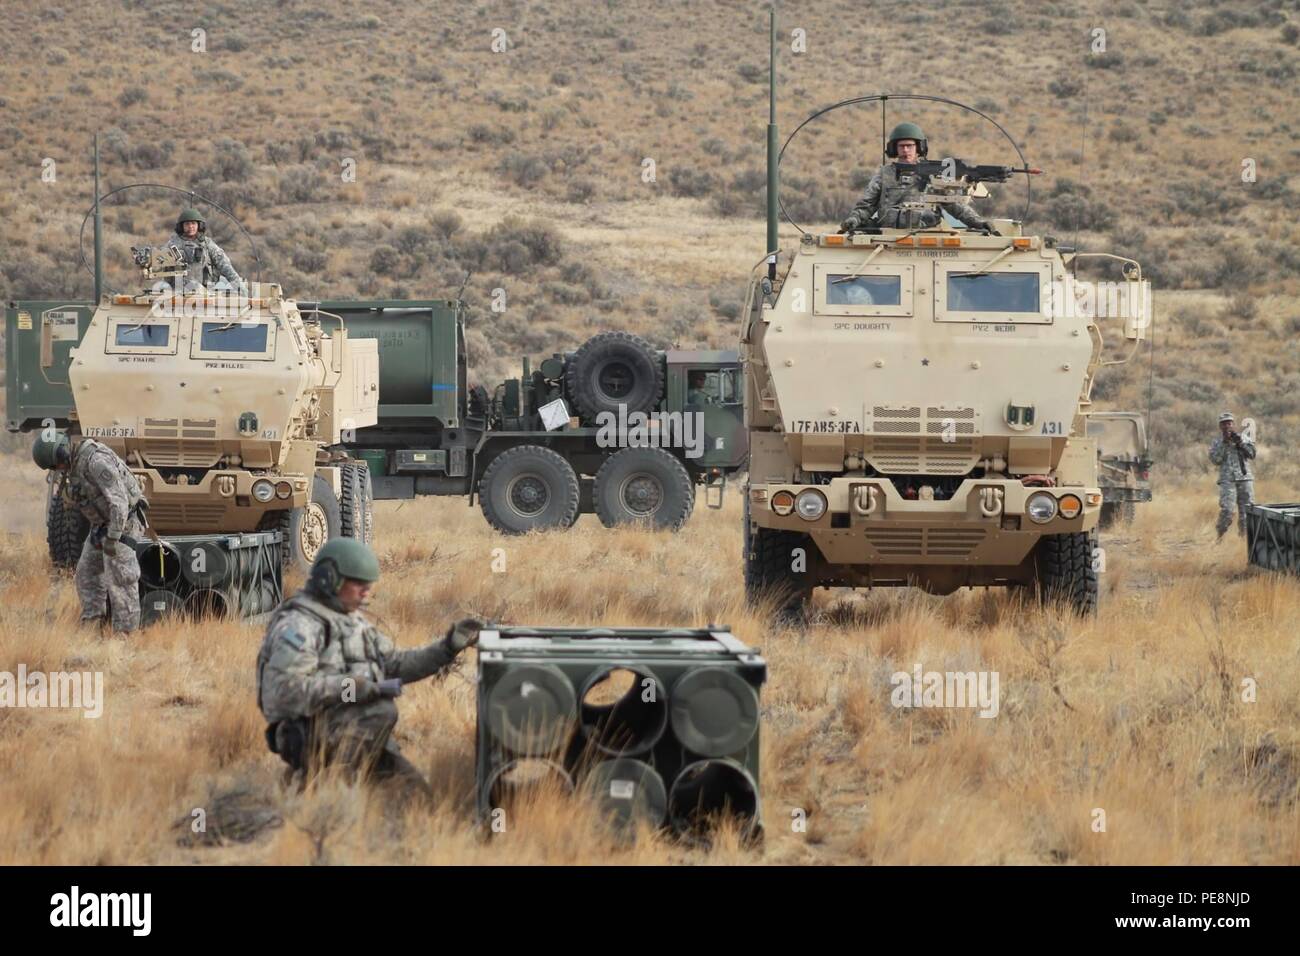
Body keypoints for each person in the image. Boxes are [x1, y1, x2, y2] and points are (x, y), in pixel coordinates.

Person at [256, 537, 483, 799]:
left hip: (356, 730)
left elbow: (394, 664)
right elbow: (281, 694)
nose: (366, 591)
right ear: (328, 579)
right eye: (358, 583)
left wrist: (447, 648)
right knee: (380, 710)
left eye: (368, 585)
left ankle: (351, 778)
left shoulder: (351, 620)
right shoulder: (300, 626)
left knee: (417, 797)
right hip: (309, 730)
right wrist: (351, 687)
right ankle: (323, 788)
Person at [33, 433, 146, 633]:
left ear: (62, 453)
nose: (57, 469)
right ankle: (92, 624)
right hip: (101, 526)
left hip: (124, 524)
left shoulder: (96, 462)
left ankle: (125, 635)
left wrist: (113, 538)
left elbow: (119, 503)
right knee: (86, 573)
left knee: (120, 578)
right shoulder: (75, 465)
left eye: (55, 464)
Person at [840, 122, 995, 233]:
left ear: (919, 148)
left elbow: (954, 205)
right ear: (894, 148)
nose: (906, 150)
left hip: (926, 236)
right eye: (901, 146)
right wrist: (854, 219)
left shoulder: (932, 175)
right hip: (888, 237)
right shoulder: (884, 174)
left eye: (910, 146)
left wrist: (978, 222)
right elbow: (867, 205)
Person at [163, 207, 244, 290]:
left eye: (193, 223)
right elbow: (159, 262)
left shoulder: (207, 244)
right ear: (181, 226)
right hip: (178, 292)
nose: (190, 226)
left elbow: (224, 264)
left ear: (199, 225)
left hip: (206, 292)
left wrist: (238, 284)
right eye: (187, 224)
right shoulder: (173, 244)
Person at [1209, 411, 1256, 539]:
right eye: (1224, 424)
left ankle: (1245, 540)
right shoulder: (1217, 442)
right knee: (1227, 510)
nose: (1227, 426)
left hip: (1245, 478)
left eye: (1229, 423)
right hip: (1227, 480)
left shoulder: (1243, 438)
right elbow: (1215, 460)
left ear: (1233, 424)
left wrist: (1240, 444)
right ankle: (1220, 535)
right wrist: (1224, 443)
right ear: (1220, 426)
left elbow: (1252, 454)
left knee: (1248, 512)